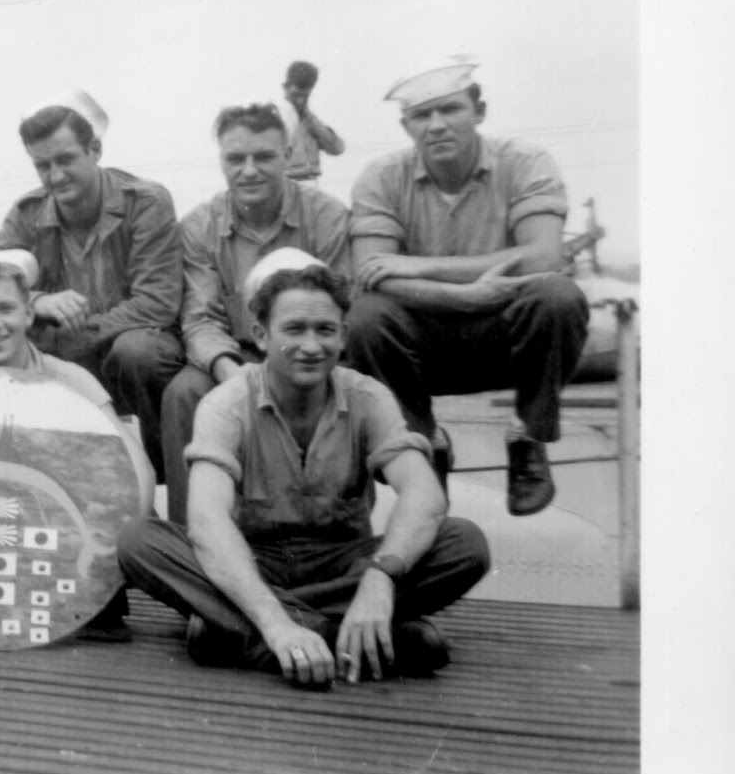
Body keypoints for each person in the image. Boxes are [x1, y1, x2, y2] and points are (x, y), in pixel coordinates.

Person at [117, 259, 491, 689]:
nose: (311, 346)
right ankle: (346, 637)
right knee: (139, 542)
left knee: (465, 543)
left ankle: (235, 634)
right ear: (261, 336)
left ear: (343, 336)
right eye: (294, 330)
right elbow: (206, 521)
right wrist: (278, 625)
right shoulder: (226, 405)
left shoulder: (368, 398)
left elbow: (424, 495)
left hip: (345, 563)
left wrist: (381, 577)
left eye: (325, 330)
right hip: (254, 562)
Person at [344, 57, 589, 516]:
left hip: (505, 337)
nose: (436, 125)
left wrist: (419, 267)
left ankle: (528, 435)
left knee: (557, 296)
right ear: (406, 125)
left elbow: (543, 257)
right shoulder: (381, 176)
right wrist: (462, 293)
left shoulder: (526, 161)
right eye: (422, 115)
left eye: (451, 109)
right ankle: (424, 444)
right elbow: (372, 274)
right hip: (425, 342)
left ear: (480, 112)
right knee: (366, 318)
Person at [0, 249, 157, 640]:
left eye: (6, 309)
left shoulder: (70, 379)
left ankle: (79, 599)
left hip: (53, 536)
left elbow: (136, 465)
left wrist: (114, 543)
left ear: (28, 313)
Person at [159, 104, 351, 523]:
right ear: (221, 161)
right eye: (235, 159)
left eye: (263, 156)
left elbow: (340, 307)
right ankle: (190, 533)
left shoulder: (327, 216)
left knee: (348, 388)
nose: (249, 171)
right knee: (183, 393)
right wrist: (233, 373)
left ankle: (342, 530)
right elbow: (200, 319)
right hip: (236, 356)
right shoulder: (198, 227)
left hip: (310, 350)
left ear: (288, 155)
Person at [0, 92, 185, 475]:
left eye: (65, 159)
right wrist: (37, 301)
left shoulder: (146, 202)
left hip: (126, 352)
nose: (55, 176)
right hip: (60, 354)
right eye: (42, 165)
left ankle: (163, 478)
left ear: (95, 149)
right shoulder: (26, 213)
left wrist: (81, 335)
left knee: (139, 352)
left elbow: (158, 301)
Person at [278, 60, 346, 184]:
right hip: (286, 183)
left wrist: (308, 116)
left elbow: (337, 148)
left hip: (310, 183)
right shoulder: (274, 119)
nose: (300, 101)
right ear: (285, 88)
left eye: (305, 96)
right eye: (295, 95)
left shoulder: (310, 120)